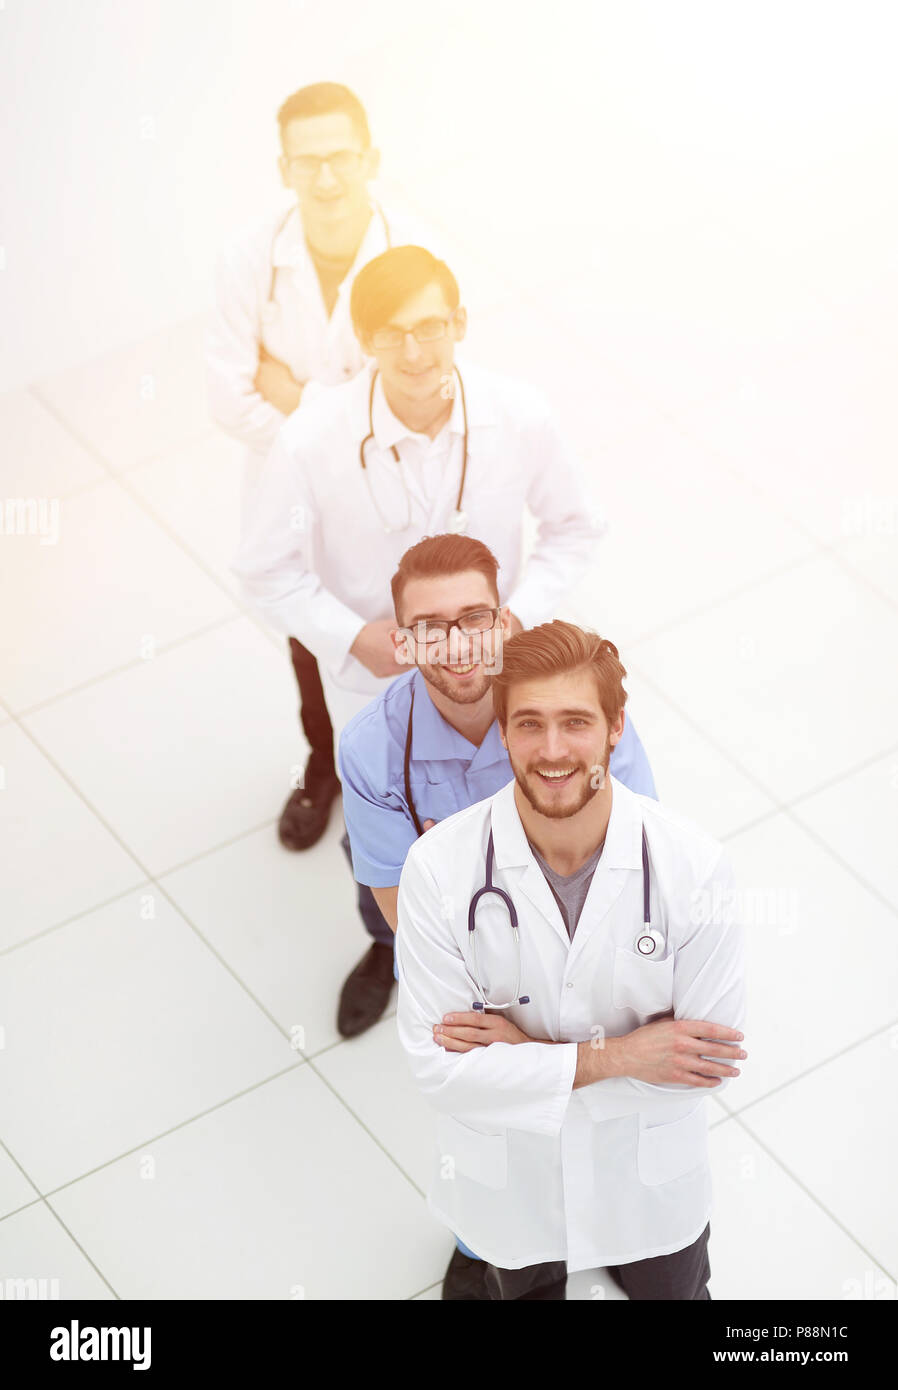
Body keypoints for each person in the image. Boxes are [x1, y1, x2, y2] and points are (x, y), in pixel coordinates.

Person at [233, 246, 606, 1031]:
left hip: (499, 677)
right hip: (379, 685)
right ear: (363, 343)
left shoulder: (520, 416)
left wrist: (518, 617)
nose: (414, 350)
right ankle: (389, 946)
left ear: (460, 325)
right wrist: (353, 636)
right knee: (386, 835)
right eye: (392, 333)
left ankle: (528, 941)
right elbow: (265, 570)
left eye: (432, 326)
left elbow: (575, 527)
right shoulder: (311, 440)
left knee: (517, 807)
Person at [338, 535, 657, 1298]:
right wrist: (507, 1028)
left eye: (474, 617)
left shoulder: (569, 711)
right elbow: (407, 916)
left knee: (607, 1112)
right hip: (471, 984)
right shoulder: (374, 749)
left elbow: (638, 858)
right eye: (430, 625)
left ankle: (608, 1223)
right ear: (403, 637)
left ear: (506, 619)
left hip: (587, 952)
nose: (456, 645)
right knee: (492, 1141)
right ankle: (481, 1244)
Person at [395, 620, 747, 1300]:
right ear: (502, 733)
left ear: (617, 727)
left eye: (575, 722)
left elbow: (706, 1068)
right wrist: (617, 1057)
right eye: (528, 724)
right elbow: (438, 1069)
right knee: (524, 1286)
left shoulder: (693, 867)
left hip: (648, 1178)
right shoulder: (440, 870)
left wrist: (521, 1061)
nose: (551, 751)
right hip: (513, 1180)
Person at [207, 81, 422, 852]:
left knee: (399, 629)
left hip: (394, 486)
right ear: (283, 169)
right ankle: (324, 765)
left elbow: (413, 392)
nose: (325, 178)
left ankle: (406, 772)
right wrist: (336, 416)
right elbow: (227, 399)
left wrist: (293, 393)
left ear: (370, 159)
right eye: (307, 162)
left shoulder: (410, 254)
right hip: (290, 495)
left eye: (339, 157)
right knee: (305, 629)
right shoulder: (249, 259)